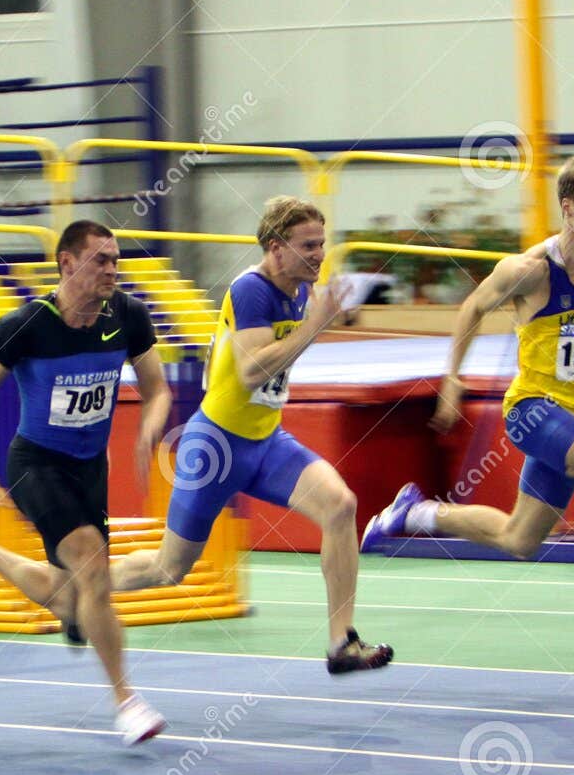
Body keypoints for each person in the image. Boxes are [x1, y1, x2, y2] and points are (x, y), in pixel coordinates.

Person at [361, 153, 574, 642]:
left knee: (519, 538)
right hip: (531, 411)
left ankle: (415, 512)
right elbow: (472, 306)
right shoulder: (532, 271)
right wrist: (452, 378)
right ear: (567, 206)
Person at [0, 220, 173, 745]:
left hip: (90, 469)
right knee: (94, 566)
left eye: (115, 260)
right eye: (100, 259)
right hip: (36, 465)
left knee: (75, 603)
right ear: (67, 263)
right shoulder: (26, 325)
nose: (111, 270)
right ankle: (127, 702)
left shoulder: (128, 315)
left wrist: (148, 429)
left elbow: (158, 388)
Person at [108, 196, 394, 674]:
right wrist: (315, 326)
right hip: (217, 445)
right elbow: (249, 372)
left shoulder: (302, 289)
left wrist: (311, 320)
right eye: (309, 246)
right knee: (169, 568)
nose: (320, 254)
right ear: (276, 248)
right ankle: (87, 589)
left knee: (340, 506)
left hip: (266, 442)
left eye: (323, 243)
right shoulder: (251, 290)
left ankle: (341, 642)